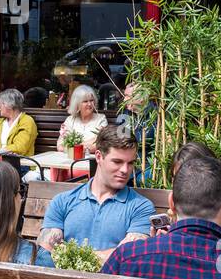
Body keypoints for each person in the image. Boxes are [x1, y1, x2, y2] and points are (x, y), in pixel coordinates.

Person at [36, 125, 154, 266]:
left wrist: (69, 254)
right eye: (117, 162)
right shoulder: (63, 201)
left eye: (130, 163)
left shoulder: (141, 207)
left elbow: (130, 257)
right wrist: (108, 255)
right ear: (98, 156)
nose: (125, 170)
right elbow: (46, 254)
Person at [116, 84, 158, 187]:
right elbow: (121, 140)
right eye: (124, 95)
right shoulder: (124, 114)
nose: (124, 99)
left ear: (141, 98)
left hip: (148, 164)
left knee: (144, 179)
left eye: (128, 96)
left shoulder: (156, 115)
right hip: (127, 162)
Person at [56, 84, 108, 152]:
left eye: (91, 100)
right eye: (85, 101)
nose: (89, 104)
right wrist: (87, 145)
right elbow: (60, 146)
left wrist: (73, 147)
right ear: (77, 104)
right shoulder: (70, 120)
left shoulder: (101, 119)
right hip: (70, 159)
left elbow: (99, 144)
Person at [0, 89, 38, 157]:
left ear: (9, 105)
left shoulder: (27, 121)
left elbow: (19, 147)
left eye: (0, 104)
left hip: (20, 163)